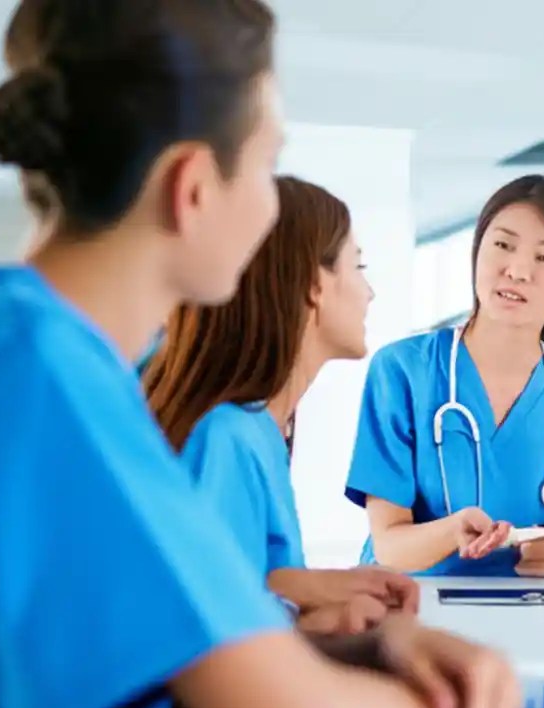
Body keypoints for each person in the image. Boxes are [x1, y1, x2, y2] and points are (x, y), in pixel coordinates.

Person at [0, 2, 519, 708]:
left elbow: (169, 659)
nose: (273, 209)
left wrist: (365, 650)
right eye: (265, 164)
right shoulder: (43, 385)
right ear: (192, 189)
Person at [144, 175, 418, 635]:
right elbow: (210, 630)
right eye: (359, 266)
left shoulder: (264, 429)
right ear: (315, 284)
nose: (370, 292)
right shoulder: (226, 438)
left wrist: (323, 591)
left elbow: (246, 577)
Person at [345, 175, 544, 578]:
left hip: (527, 612)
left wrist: (543, 556)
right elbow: (390, 546)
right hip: (407, 609)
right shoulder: (403, 370)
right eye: (503, 245)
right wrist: (454, 531)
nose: (518, 271)